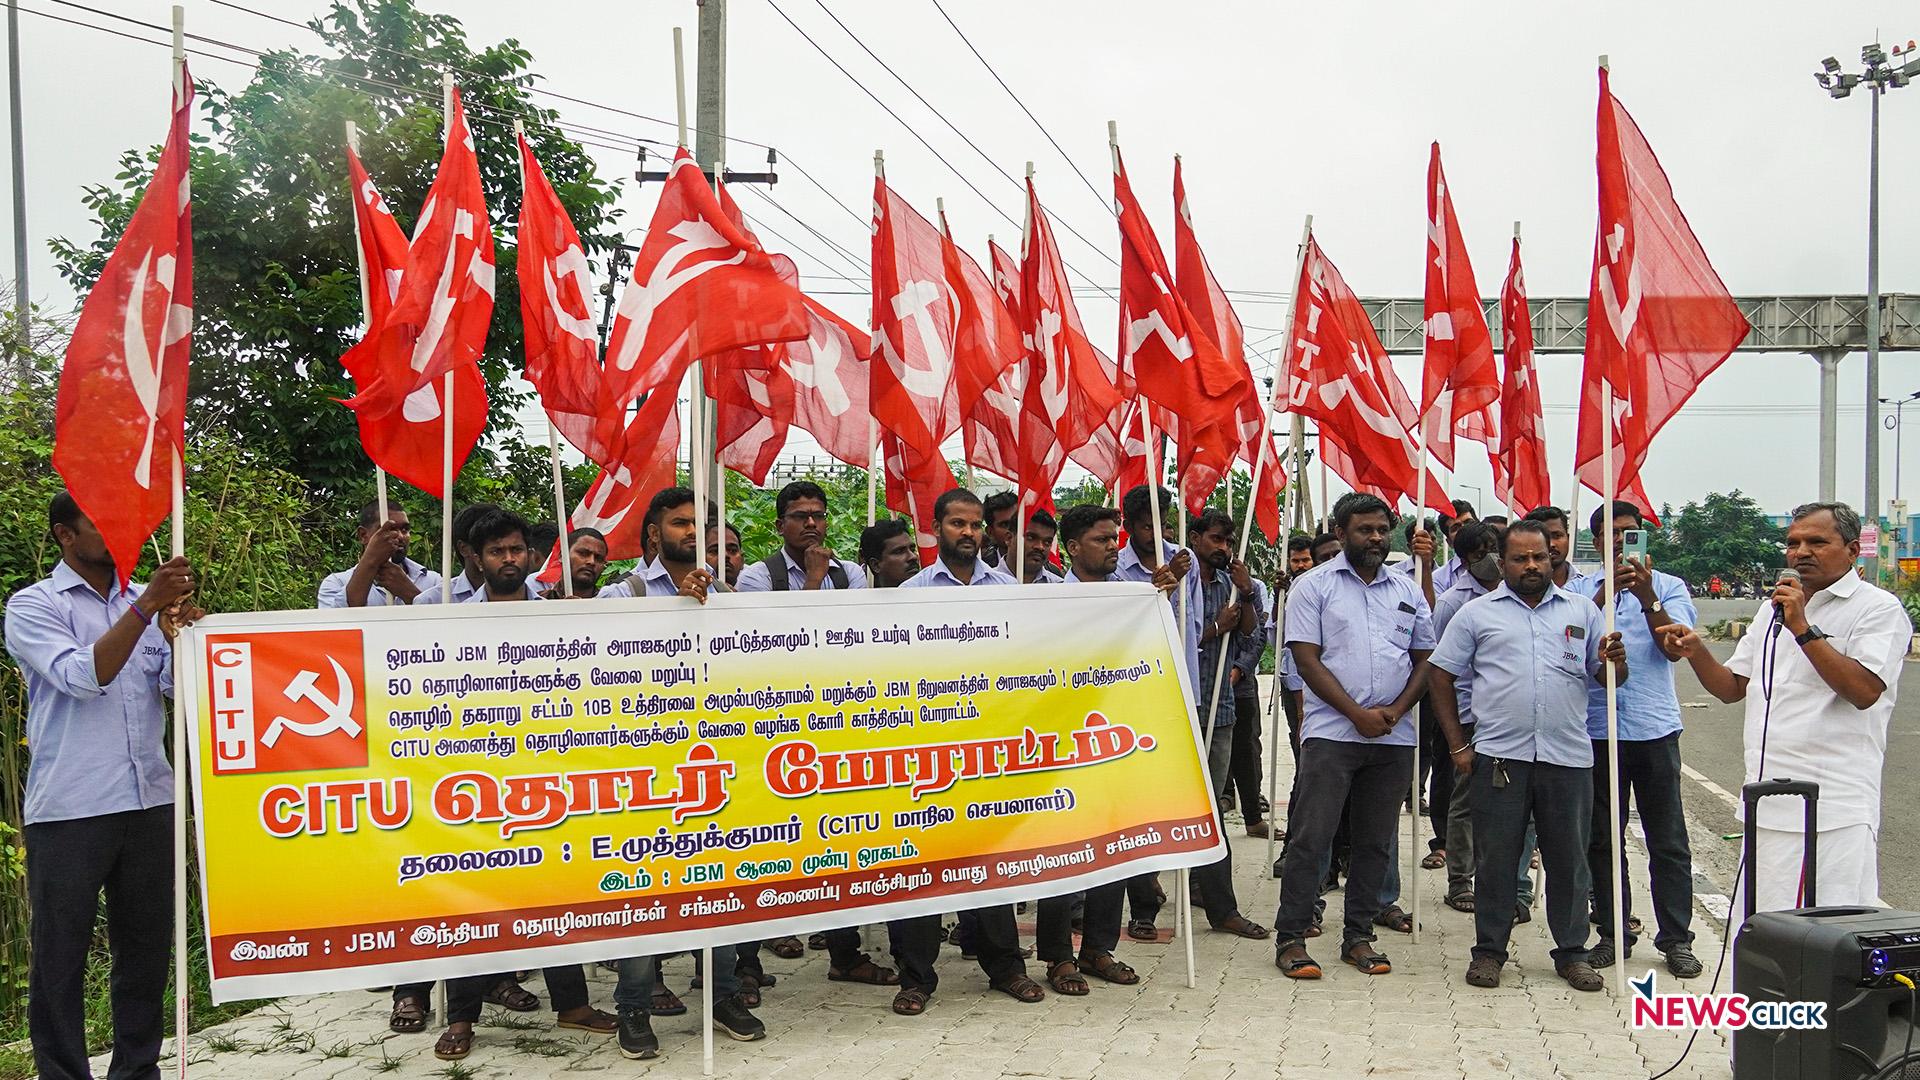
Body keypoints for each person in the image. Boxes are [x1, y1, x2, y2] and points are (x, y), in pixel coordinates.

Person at [5, 493, 203, 1080]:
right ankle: (63, 1073)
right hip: (71, 806)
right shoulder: (32, 606)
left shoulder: (146, 603)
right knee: (60, 957)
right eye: (103, 525)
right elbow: (81, 675)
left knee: (144, 952)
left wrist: (180, 637)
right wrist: (147, 606)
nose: (120, 537)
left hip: (149, 800)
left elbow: (177, 692)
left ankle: (137, 1069)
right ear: (66, 536)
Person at [1660, 502, 1908, 913]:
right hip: (1767, 804)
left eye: (1816, 542)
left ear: (1851, 550)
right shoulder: (1772, 608)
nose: (1800, 552)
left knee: (1823, 939)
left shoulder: (1876, 609)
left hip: (1831, 811)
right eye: (1793, 543)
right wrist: (1696, 651)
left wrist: (1802, 628)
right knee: (1759, 936)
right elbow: (1731, 687)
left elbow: (1863, 690)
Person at [1427, 520, 1626, 993]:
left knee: (1568, 860)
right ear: (1503, 560)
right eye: (1520, 558)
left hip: (1568, 758)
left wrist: (1617, 662)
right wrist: (1457, 744)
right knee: (1496, 859)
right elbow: (1439, 674)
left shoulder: (1581, 611)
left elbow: (1608, 678)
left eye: (1540, 556)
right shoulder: (1478, 614)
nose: (1532, 565)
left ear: (1552, 557)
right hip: (1500, 758)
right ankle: (1490, 952)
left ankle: (1572, 952)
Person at [1273, 494, 1431, 980]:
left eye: (1383, 529)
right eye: (1365, 529)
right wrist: (1356, 714)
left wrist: (1396, 711)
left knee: (1374, 843)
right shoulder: (1313, 586)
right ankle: (1292, 938)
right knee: (1311, 838)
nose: (1377, 538)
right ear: (1341, 533)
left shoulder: (1407, 589)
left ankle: (1358, 936)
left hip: (1393, 736)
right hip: (1332, 735)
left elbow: (1426, 656)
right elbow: (1306, 659)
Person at [899, 489, 1047, 1004]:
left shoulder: (1009, 589)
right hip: (929, 751)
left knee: (989, 862)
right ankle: (915, 978)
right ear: (937, 527)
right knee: (918, 865)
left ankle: (1004, 967)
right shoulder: (911, 593)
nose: (968, 533)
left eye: (976, 525)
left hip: (990, 751)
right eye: (958, 524)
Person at [1571, 501, 1702, 978]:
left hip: (1652, 728)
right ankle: (1612, 931)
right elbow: (1567, 643)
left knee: (1667, 839)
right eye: (1611, 535)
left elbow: (1674, 649)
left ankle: (1676, 939)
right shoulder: (1579, 590)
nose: (1621, 543)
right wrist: (1606, 595)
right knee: (1603, 839)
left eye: (1630, 533)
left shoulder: (1669, 587)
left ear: (1643, 537)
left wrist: (1648, 597)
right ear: (1597, 541)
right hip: (1596, 730)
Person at [1033, 503, 1147, 993]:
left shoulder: (1133, 601)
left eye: (1114, 538)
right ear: (1073, 548)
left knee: (1115, 850)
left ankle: (1099, 948)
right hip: (1062, 746)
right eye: (1103, 539)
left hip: (1117, 743)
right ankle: (1058, 956)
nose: (1113, 547)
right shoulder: (1048, 601)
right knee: (1061, 854)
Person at [1432, 523, 1538, 921]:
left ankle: (1515, 888)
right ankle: (1460, 879)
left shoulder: (1527, 597)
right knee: (1466, 802)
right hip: (1470, 718)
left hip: (1520, 722)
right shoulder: (1454, 603)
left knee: (1523, 805)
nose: (1491, 559)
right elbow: (1438, 668)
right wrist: (1456, 739)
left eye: (1495, 549)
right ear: (1464, 561)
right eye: (1480, 554)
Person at [1185, 509, 1271, 939]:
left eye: (1228, 541)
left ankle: (1217, 901)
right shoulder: (1180, 581)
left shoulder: (1228, 584)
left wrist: (1248, 593)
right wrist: (1214, 627)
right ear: (1196, 538)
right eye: (1216, 539)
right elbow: (1170, 635)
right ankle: (1149, 902)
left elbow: (1250, 633)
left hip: (1219, 709)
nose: (1223, 548)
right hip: (1179, 709)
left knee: (1212, 807)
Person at [735, 481, 866, 592]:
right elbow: (776, 623)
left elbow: (855, 620)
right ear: (780, 526)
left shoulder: (850, 574)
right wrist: (813, 579)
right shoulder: (757, 577)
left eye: (819, 516)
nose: (811, 523)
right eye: (800, 516)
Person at [317, 500, 441, 607]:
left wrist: (408, 592)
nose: (400, 536)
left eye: (405, 530)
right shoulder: (337, 583)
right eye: (389, 530)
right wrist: (371, 561)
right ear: (363, 535)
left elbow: (446, 626)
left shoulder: (433, 582)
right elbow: (339, 626)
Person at [425, 502, 498, 604]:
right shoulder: (433, 600)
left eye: (515, 549)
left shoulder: (526, 593)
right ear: (463, 548)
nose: (508, 557)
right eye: (494, 548)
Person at [1523, 505, 1583, 589]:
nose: (1551, 544)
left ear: (1568, 538)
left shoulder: (1587, 586)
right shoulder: (1514, 588)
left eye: (1557, 536)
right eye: (1543, 537)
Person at [542, 527, 610, 598]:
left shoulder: (612, 605)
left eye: (599, 558)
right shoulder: (536, 602)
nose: (591, 562)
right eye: (583, 553)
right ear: (562, 555)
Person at [859, 518, 920, 589]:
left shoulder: (933, 594)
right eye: (899, 552)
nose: (913, 557)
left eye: (912, 549)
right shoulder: (858, 599)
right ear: (876, 565)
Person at [1015, 508, 1062, 584]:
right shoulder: (990, 582)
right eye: (1031, 538)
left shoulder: (1060, 586)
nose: (1040, 547)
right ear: (1009, 538)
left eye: (1047, 542)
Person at [981, 490, 1020, 568]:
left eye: (1018, 522)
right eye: (1005, 524)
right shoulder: (980, 571)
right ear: (990, 532)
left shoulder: (1048, 572)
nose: (1015, 529)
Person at [706, 520, 744, 588]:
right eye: (715, 551)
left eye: (732, 550)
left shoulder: (757, 591)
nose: (725, 555)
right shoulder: (688, 593)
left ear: (742, 560)